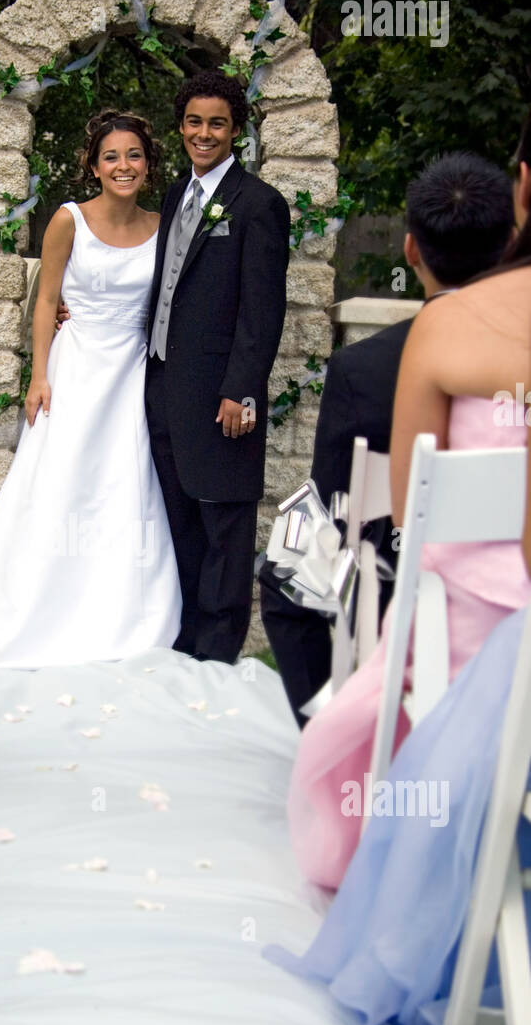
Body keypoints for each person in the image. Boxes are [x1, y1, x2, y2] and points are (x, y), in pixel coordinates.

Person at [285, 116, 531, 893]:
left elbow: (389, 513)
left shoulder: (419, 342)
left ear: (411, 249)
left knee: (311, 581)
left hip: (471, 629)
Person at [0, 110, 182, 668]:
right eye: (111, 156)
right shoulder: (68, 221)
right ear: (93, 165)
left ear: (149, 165)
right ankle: (34, 609)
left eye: (134, 155)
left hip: (133, 370)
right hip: (76, 366)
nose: (123, 165)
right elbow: (44, 301)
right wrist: (39, 375)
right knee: (62, 480)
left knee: (123, 485)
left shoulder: (167, 225)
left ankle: (121, 616)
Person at [260, 152, 516, 725]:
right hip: (511, 578)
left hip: (405, 582)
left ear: (411, 251)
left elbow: (332, 507)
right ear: (509, 245)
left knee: (286, 559)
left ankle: (340, 731)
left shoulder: (366, 367)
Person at [144, 70, 290, 664]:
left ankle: (218, 650)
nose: (204, 134)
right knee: (179, 516)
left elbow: (263, 312)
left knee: (225, 523)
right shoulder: (177, 192)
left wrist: (242, 392)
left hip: (222, 395)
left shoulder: (259, 205)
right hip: (162, 386)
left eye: (218, 124)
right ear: (181, 127)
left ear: (237, 131)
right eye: (194, 122)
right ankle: (185, 638)